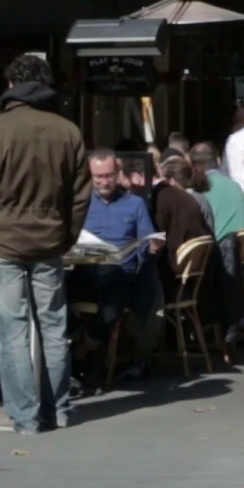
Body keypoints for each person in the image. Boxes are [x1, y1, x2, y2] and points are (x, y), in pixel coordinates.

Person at [0, 54, 90, 434]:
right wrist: (66, 236)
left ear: (9, 86)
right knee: (54, 330)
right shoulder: (67, 132)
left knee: (12, 334)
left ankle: (24, 415)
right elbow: (80, 196)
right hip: (49, 240)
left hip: (2, 242)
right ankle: (58, 410)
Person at [74, 150, 162, 380]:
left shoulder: (134, 204)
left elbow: (147, 240)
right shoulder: (80, 204)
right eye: (98, 177)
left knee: (113, 298)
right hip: (85, 268)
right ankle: (71, 348)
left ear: (117, 173)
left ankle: (83, 351)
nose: (104, 181)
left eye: (109, 175)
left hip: (120, 273)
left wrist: (151, 246)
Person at [190, 142, 244, 342]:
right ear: (217, 162)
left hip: (217, 265)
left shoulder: (200, 190)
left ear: (195, 168)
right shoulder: (234, 185)